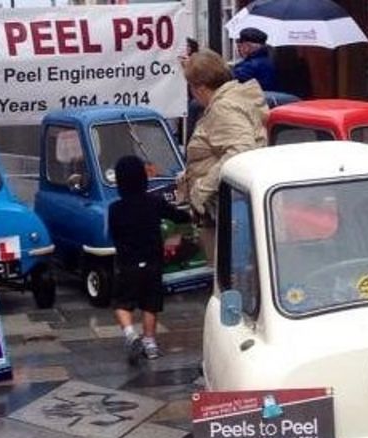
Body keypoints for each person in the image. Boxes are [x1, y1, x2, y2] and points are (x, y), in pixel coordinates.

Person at [179, 48, 268, 264]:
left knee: (230, 276)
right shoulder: (232, 99)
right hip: (229, 207)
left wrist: (201, 189)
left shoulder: (223, 108)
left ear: (199, 87)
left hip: (226, 210)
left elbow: (241, 149)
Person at [109, 155, 191, 363]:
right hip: (153, 262)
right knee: (150, 304)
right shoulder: (154, 202)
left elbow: (114, 234)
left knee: (122, 303)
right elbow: (178, 216)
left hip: (127, 263)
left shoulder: (115, 208)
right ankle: (150, 344)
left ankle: (130, 334)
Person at [232, 27, 276, 92]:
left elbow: (231, 83)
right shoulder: (271, 60)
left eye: (240, 46)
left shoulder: (248, 67)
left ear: (247, 47)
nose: (239, 50)